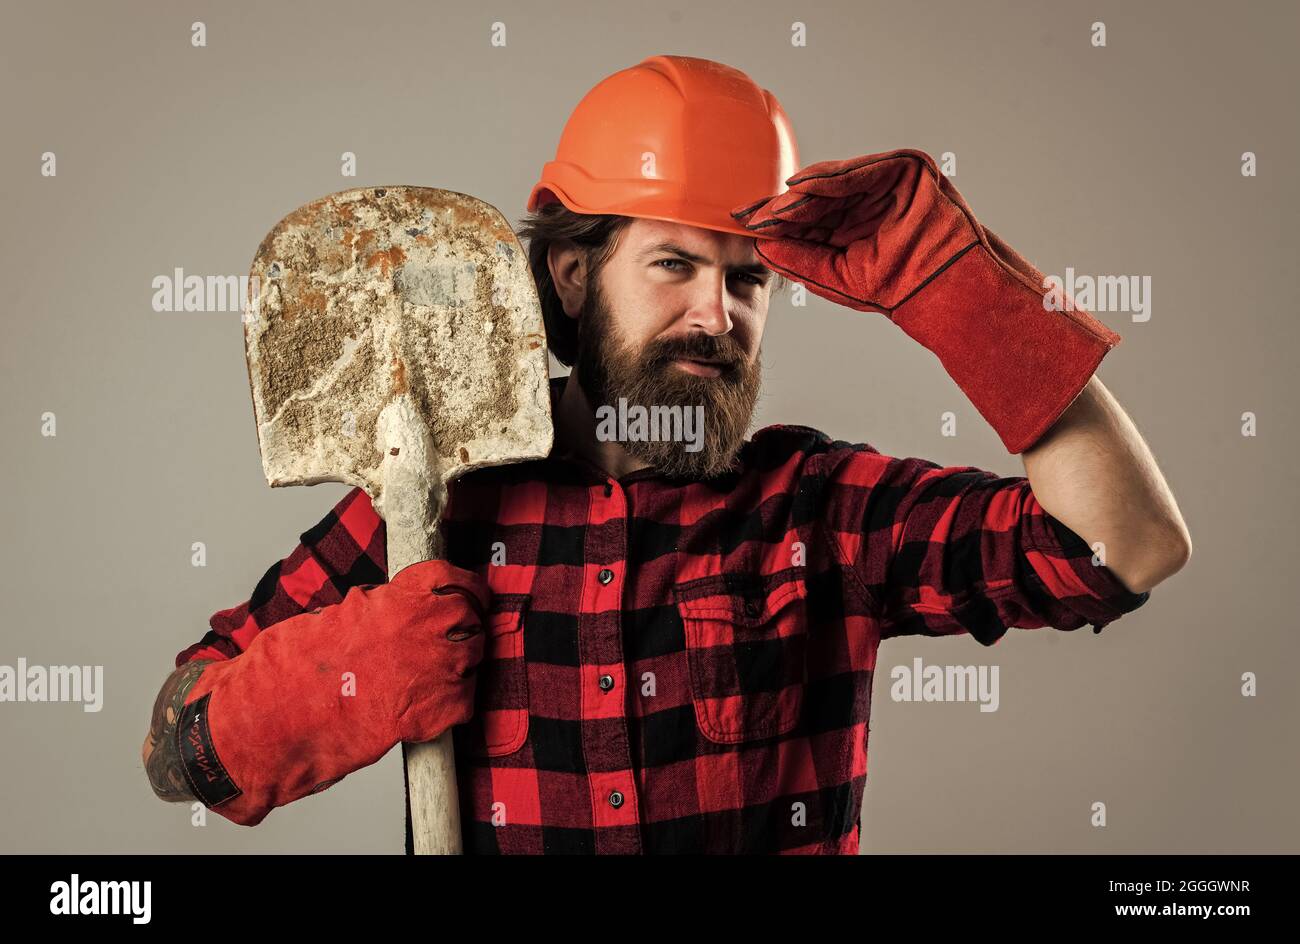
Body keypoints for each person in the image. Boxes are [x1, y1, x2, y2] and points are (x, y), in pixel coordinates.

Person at [142, 55, 1191, 854]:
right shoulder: (436, 504)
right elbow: (174, 743)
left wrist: (964, 300)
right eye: (674, 263)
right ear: (566, 275)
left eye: (747, 279)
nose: (715, 312)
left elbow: (1122, 546)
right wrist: (342, 679)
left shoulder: (817, 508)